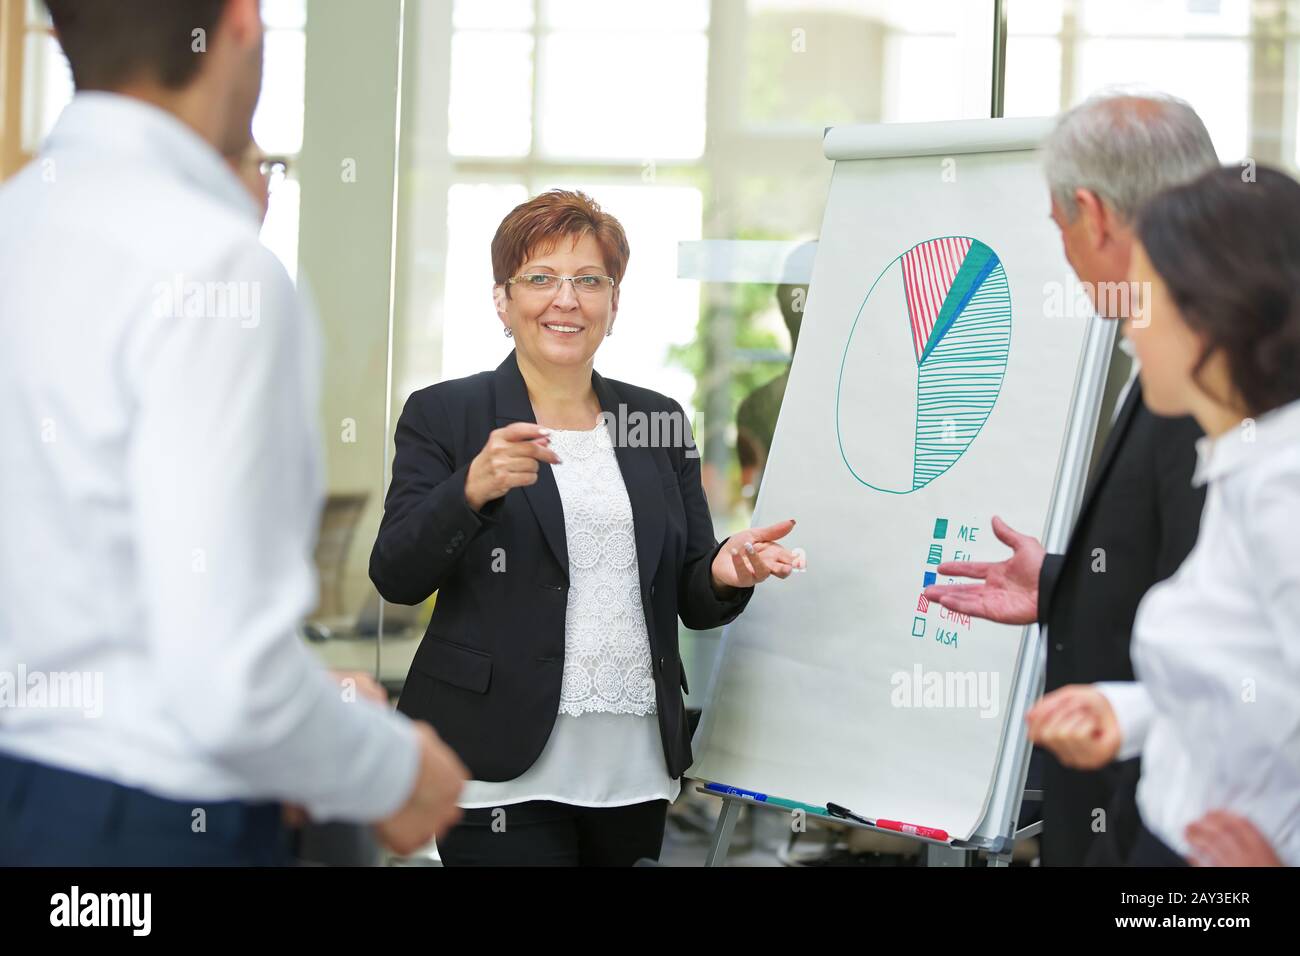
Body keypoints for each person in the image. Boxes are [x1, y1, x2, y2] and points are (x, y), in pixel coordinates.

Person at [0, 0, 465, 865]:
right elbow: (228, 685)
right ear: (244, 22)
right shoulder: (213, 269)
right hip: (156, 826)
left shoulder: (17, 227)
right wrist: (394, 769)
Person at [370, 189, 803, 866]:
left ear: (615, 300)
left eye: (589, 281)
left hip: (629, 765)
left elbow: (690, 589)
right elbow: (396, 573)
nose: (565, 300)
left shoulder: (654, 419)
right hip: (495, 759)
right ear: (502, 300)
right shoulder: (448, 414)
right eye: (540, 278)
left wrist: (724, 570)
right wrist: (472, 489)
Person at [924, 92, 1217, 865]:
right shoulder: (1181, 347)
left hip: (1155, 830)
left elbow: (1223, 637)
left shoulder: (1210, 377)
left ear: (1093, 213)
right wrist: (1059, 584)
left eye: (1059, 230)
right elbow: (1180, 569)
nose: (1065, 255)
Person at [1027, 165, 1300, 867]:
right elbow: (1257, 689)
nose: (1128, 324)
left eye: (1145, 299)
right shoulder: (1241, 466)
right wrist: (1131, 716)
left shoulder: (1282, 488)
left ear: (1212, 314)